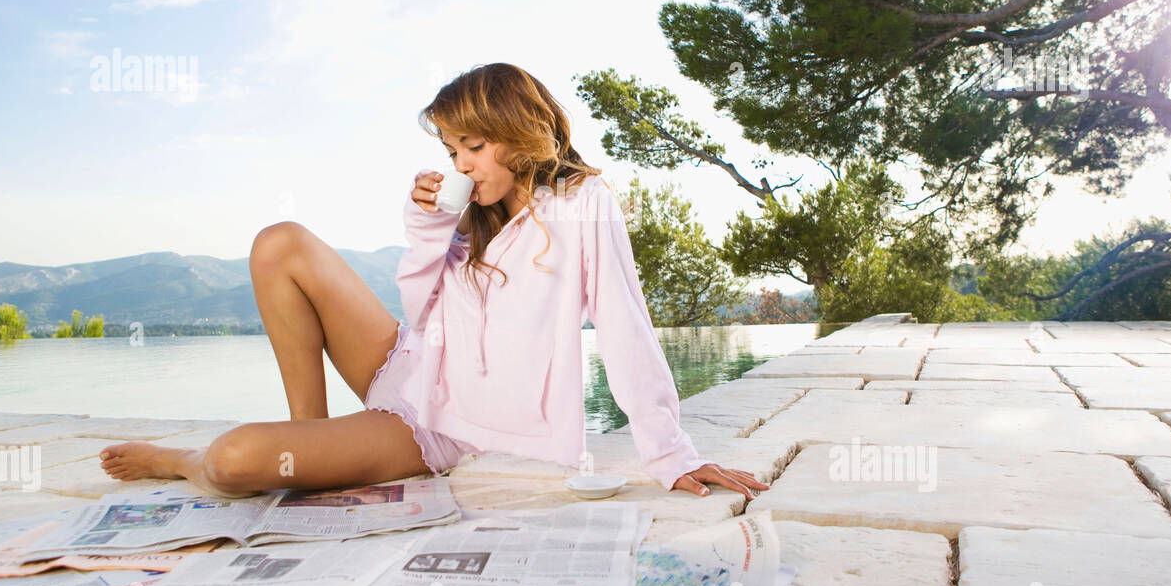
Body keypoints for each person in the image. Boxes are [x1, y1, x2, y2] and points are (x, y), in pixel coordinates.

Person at [99, 63, 769, 501]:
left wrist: (671, 455)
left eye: (474, 147)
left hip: (441, 427)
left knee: (234, 459)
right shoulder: (469, 213)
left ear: (518, 130)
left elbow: (624, 325)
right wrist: (428, 226)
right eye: (452, 152)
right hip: (408, 366)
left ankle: (185, 461)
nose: (462, 164)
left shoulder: (583, 203)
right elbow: (422, 314)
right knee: (280, 244)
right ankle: (307, 438)